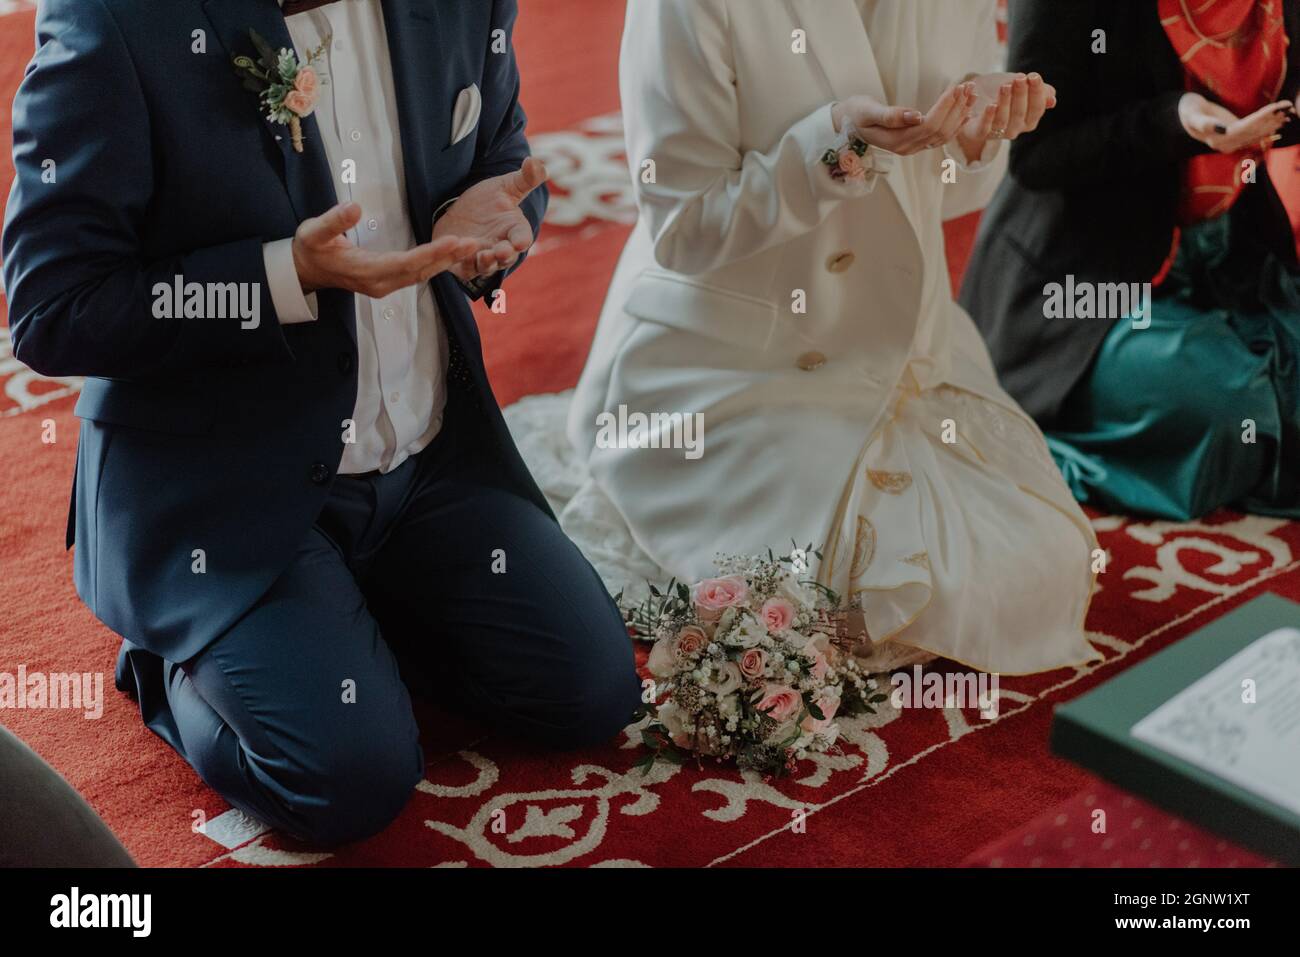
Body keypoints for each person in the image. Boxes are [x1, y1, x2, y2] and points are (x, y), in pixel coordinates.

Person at [2, 0, 641, 847]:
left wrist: (503, 218)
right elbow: (53, 305)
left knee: (590, 691)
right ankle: (169, 653)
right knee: (346, 782)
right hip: (226, 492)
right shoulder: (119, 19)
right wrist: (281, 275)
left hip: (429, 459)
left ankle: (340, 622)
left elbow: (500, 152)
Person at [531, 0, 1101, 675]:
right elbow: (684, 224)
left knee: (1048, 566)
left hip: (890, 340)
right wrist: (834, 150)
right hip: (735, 361)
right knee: (855, 596)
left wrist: (977, 136)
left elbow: (946, 194)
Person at [962, 0, 1300, 521]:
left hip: (1229, 247)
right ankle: (1032, 429)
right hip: (1083, 284)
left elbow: (1278, 110)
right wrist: (1173, 121)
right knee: (1241, 412)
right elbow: (1036, 156)